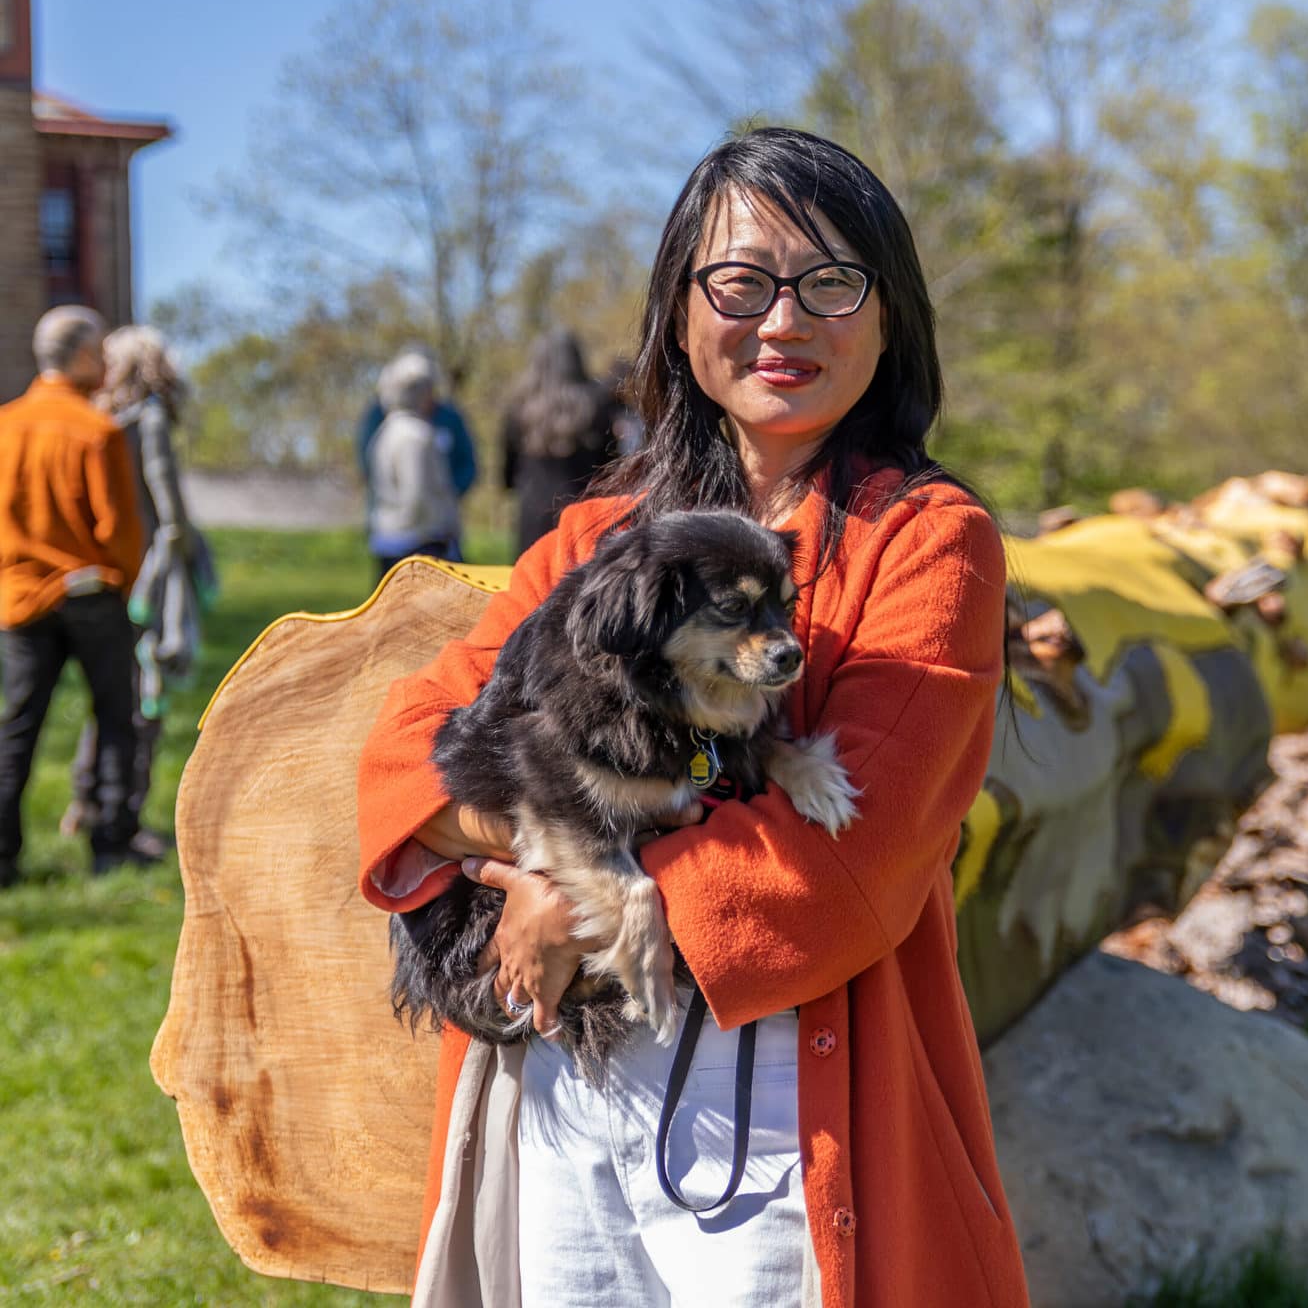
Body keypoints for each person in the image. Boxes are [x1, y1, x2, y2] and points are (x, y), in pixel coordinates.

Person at [356, 128, 1031, 1307]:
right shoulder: (592, 538)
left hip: (785, 1099)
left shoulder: (925, 541)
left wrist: (580, 896)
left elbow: (850, 852)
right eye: (741, 281)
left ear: (887, 316)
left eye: (831, 282)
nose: (784, 320)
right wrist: (540, 879)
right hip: (564, 1087)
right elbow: (407, 742)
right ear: (679, 311)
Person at [0, 307, 146, 883]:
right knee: (114, 718)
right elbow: (119, 531)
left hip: (18, 599)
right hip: (90, 593)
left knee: (17, 724)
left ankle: (3, 855)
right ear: (84, 357)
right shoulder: (97, 431)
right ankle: (111, 845)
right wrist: (124, 584)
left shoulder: (5, 425)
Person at [63, 327, 211, 855]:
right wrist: (191, 558)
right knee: (144, 697)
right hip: (149, 573)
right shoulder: (147, 419)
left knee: (110, 694)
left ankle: (86, 800)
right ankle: (125, 810)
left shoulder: (94, 417)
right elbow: (167, 507)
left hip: (106, 572)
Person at [499, 328, 617, 555]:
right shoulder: (598, 404)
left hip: (533, 513)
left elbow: (508, 475)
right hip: (584, 516)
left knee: (532, 584)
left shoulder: (520, 408)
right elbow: (610, 466)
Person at [365, 349, 462, 577]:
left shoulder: (385, 431)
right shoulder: (415, 436)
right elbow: (416, 495)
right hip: (414, 545)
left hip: (389, 537)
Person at [356, 346, 478, 504]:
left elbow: (467, 464)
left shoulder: (450, 417)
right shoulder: (380, 417)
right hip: (391, 516)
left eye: (426, 385)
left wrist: (449, 493)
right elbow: (367, 463)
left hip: (440, 515)